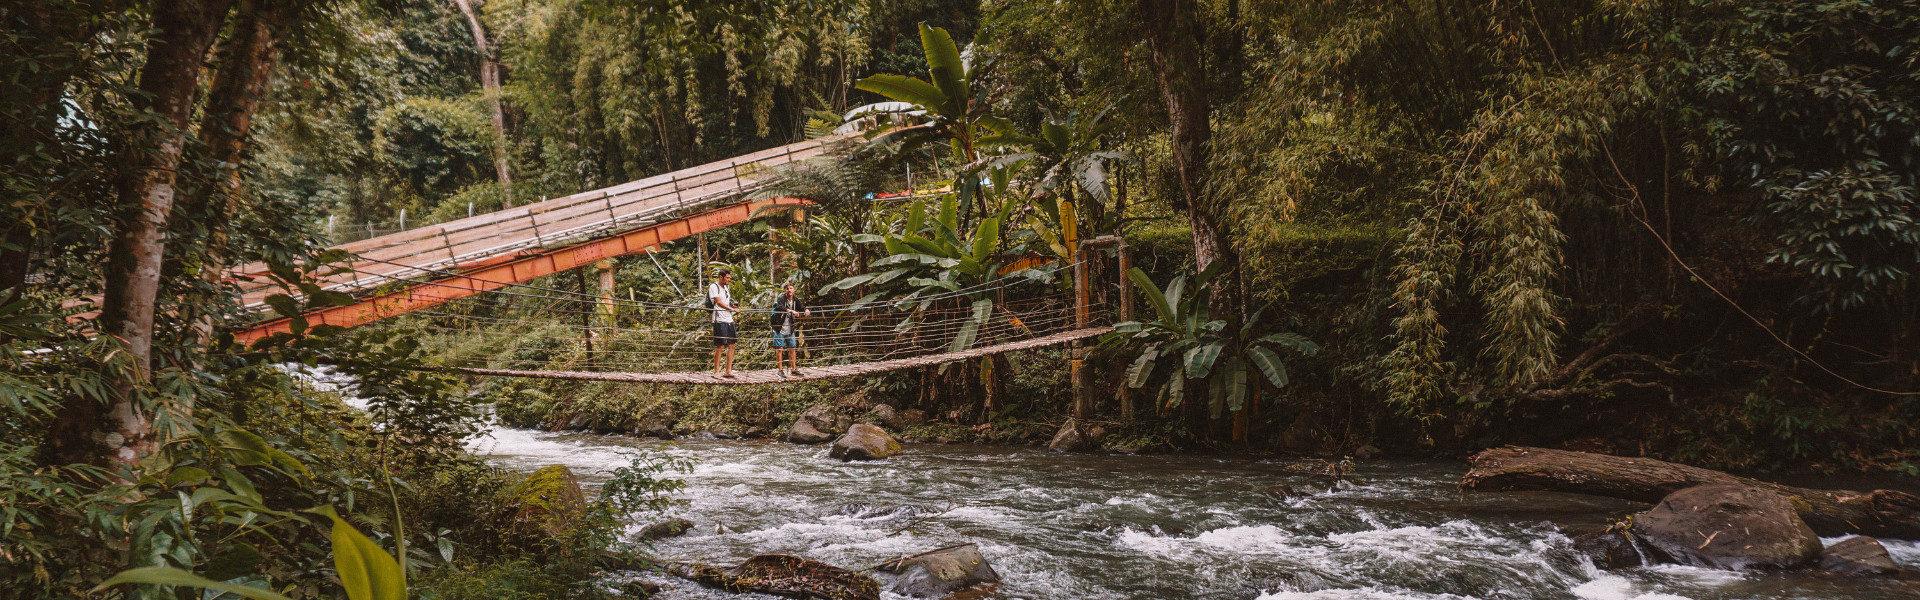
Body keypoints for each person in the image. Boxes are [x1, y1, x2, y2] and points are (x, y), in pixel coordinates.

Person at [770, 281, 811, 377]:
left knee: (792, 348)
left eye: (791, 288)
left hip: (789, 328)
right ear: (785, 291)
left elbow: (801, 307)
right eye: (787, 289)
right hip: (779, 327)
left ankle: (794, 369)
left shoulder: (795, 300)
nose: (789, 290)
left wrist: (806, 310)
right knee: (779, 348)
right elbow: (780, 307)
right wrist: (791, 311)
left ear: (794, 290)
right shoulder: (781, 298)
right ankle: (780, 370)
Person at [708, 269, 740, 378]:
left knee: (732, 344)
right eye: (727, 278)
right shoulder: (714, 287)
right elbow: (718, 302)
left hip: (728, 318)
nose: (729, 280)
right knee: (720, 345)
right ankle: (716, 372)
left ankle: (728, 371)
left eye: (729, 278)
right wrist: (731, 308)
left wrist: (732, 306)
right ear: (721, 277)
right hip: (719, 318)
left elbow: (726, 301)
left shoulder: (726, 287)